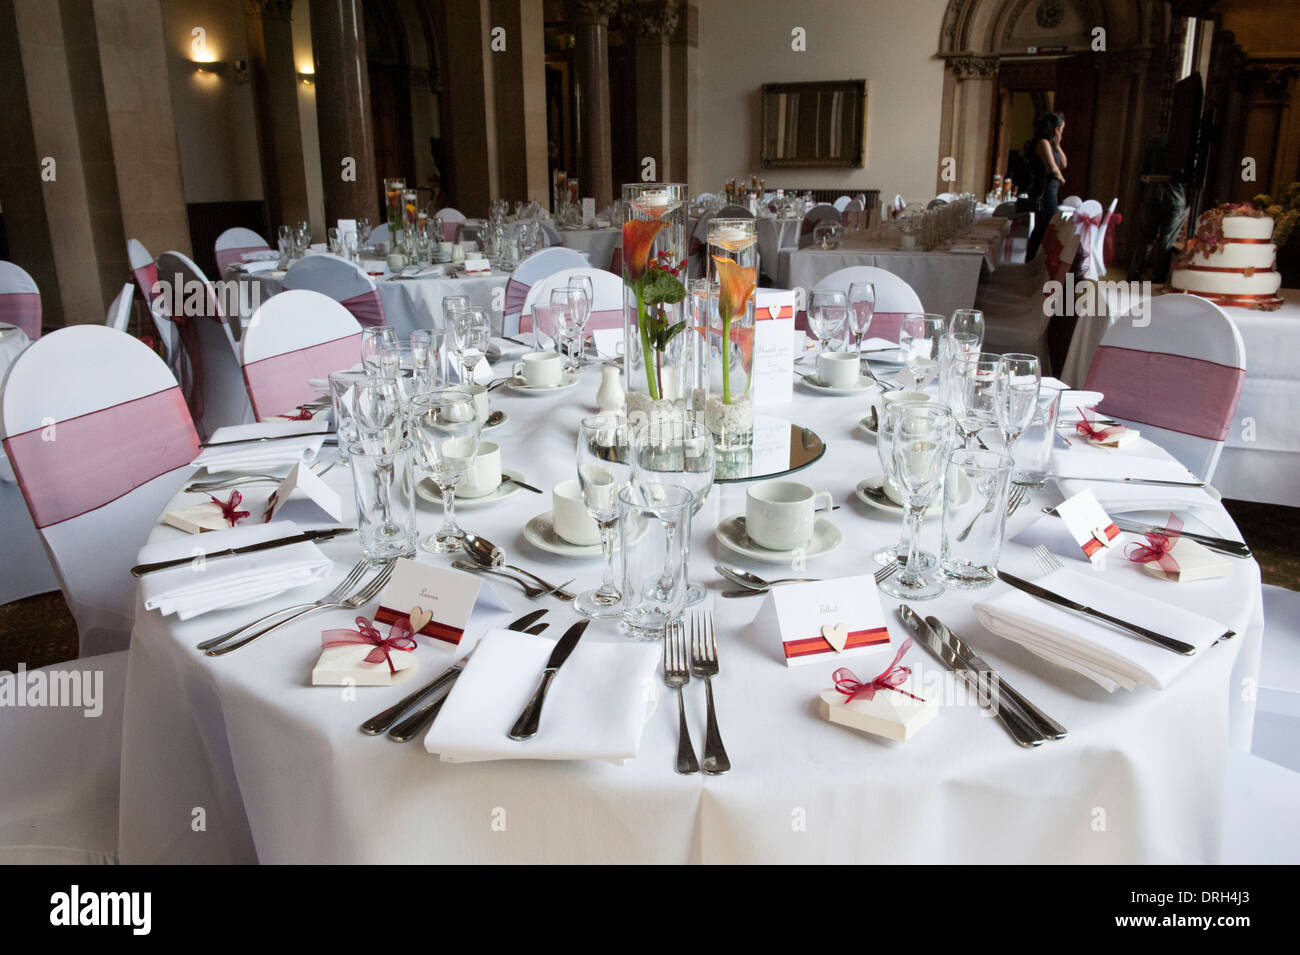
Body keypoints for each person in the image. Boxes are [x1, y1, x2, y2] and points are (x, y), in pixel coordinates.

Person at [1025, 112, 1067, 260]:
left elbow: (1063, 163)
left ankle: (1037, 261)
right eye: (1061, 128)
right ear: (1056, 129)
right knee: (1043, 227)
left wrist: (1058, 145)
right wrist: (1061, 179)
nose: (1062, 132)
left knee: (1047, 227)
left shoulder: (1051, 144)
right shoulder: (1042, 143)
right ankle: (1031, 260)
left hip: (1051, 191)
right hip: (1044, 191)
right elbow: (1052, 168)